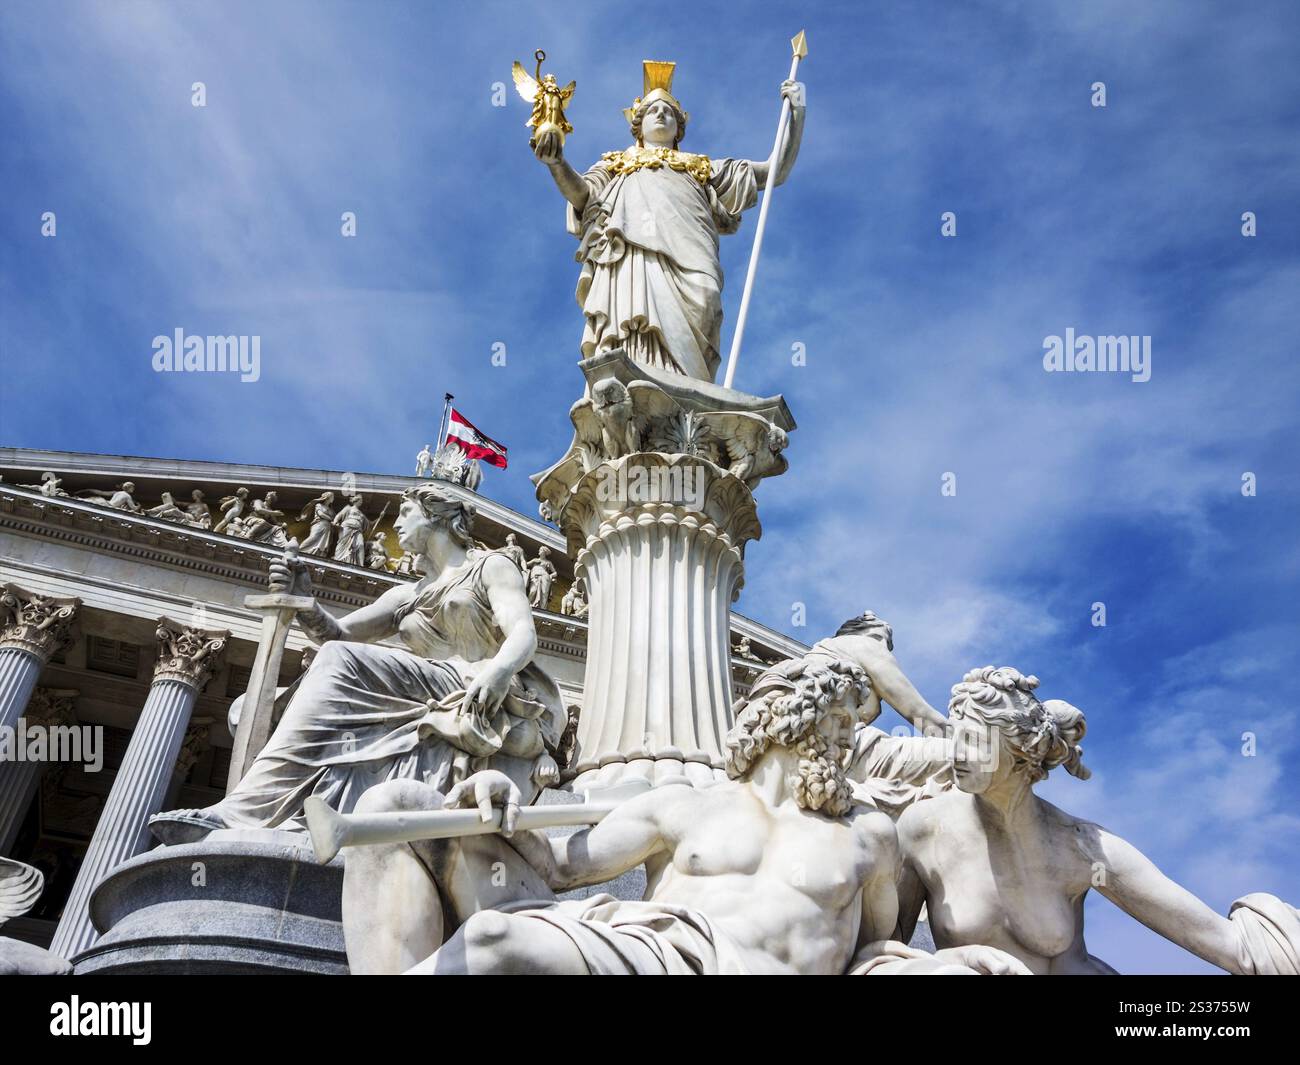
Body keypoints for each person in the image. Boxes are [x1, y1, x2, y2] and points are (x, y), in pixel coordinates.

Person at [391, 653, 1025, 976]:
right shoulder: (681, 804)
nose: (848, 741)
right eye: (837, 721)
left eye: (852, 728)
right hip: (667, 957)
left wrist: (937, 963)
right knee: (482, 922)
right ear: (783, 718)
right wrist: (500, 788)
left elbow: (871, 952)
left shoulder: (870, 834)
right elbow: (560, 870)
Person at [150, 484, 565, 844]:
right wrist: (305, 599)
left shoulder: (491, 566)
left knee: (336, 662)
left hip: (477, 684)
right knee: (259, 704)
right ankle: (265, 809)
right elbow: (338, 636)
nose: (396, 524)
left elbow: (523, 635)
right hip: (428, 688)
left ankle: (246, 809)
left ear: (436, 517)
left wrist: (497, 671)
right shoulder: (406, 595)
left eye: (406, 513)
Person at [893, 666, 1300, 974]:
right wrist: (955, 959)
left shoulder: (1082, 848)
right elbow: (885, 954)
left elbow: (1230, 947)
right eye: (956, 737)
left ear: (1024, 752)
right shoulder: (923, 831)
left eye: (975, 741)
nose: (955, 754)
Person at [534, 62, 805, 381]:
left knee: (705, 297)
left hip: (693, 254)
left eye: (668, 112)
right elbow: (582, 194)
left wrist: (796, 116)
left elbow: (776, 170)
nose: (661, 115)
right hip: (633, 258)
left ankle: (692, 391)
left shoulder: (701, 168)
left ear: (680, 127)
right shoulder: (617, 165)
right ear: (638, 125)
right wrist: (556, 163)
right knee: (635, 323)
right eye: (653, 111)